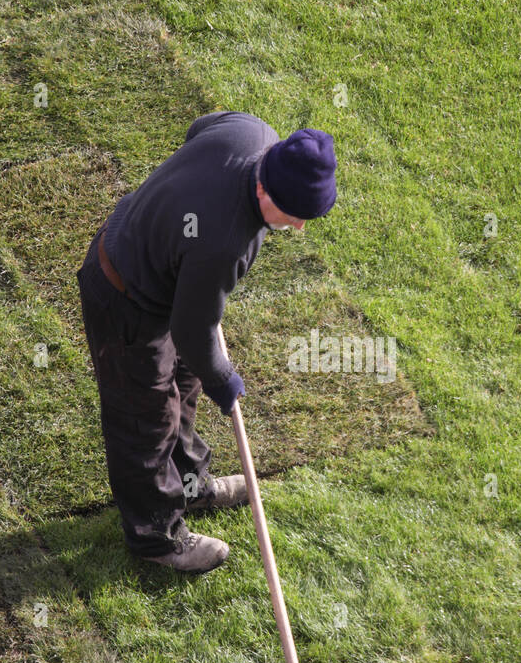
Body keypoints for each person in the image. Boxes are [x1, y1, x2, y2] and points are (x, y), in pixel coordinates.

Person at [76, 112, 337, 572]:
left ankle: (193, 487)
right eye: (295, 215)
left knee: (185, 385)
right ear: (264, 190)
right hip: (124, 296)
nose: (298, 228)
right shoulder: (223, 241)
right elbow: (192, 330)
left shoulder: (252, 133)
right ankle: (157, 539)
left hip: (166, 274)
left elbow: (197, 129)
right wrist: (226, 381)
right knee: (146, 419)